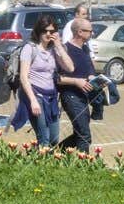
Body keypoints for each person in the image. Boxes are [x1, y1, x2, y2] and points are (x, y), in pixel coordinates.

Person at [7, 14, 75, 147]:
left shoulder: (54, 50)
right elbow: (24, 77)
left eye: (52, 31)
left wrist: (59, 45)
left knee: (54, 139)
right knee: (44, 139)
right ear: (38, 31)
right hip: (35, 95)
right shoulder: (29, 48)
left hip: (51, 97)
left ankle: (34, 157)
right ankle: (42, 166)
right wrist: (33, 101)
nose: (48, 34)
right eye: (45, 31)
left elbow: (70, 68)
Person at [57, 17, 97, 151]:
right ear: (80, 32)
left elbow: (90, 69)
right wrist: (76, 81)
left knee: (79, 133)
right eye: (90, 31)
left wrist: (93, 77)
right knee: (84, 135)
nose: (92, 33)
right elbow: (57, 78)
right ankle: (83, 167)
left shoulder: (85, 49)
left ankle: (55, 154)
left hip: (84, 96)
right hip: (71, 96)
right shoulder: (65, 50)